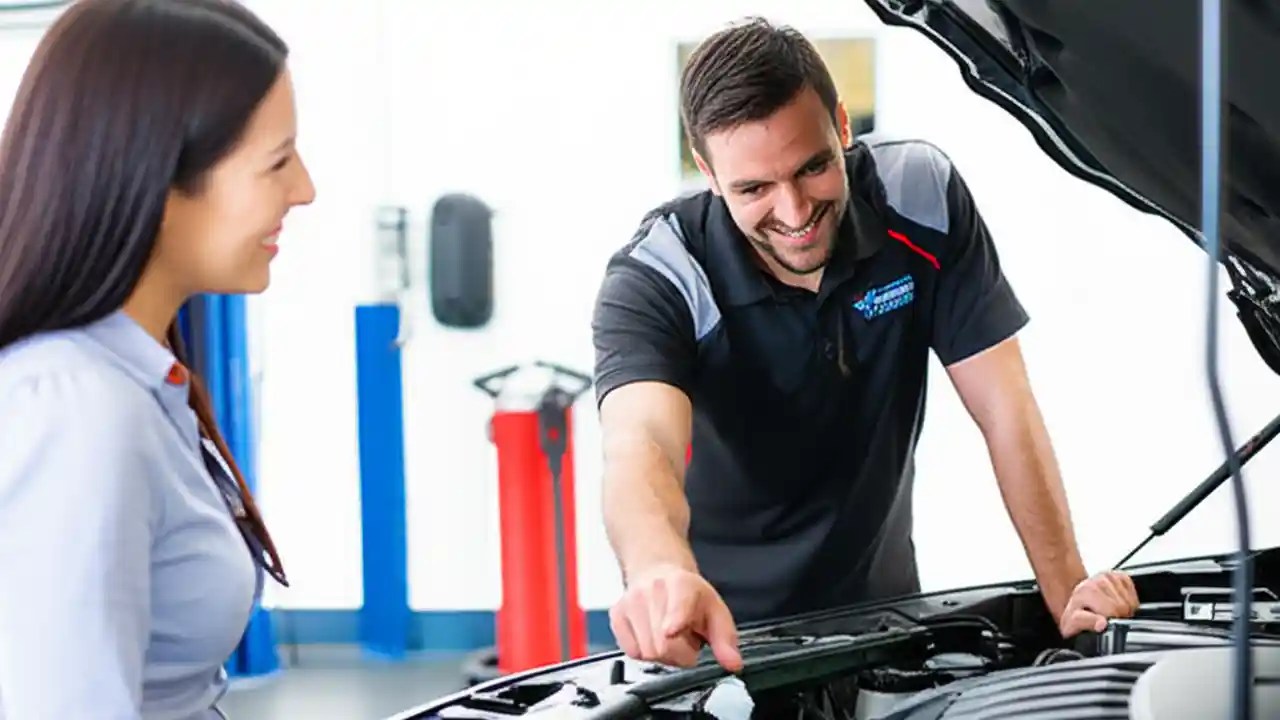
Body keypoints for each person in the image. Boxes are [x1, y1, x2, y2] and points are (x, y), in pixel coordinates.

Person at [590, 17, 1139, 673]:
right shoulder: (661, 275)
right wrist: (657, 569)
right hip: (717, 639)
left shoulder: (921, 199)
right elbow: (639, 443)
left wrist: (1066, 591)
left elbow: (1005, 410)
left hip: (885, 623)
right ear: (708, 173)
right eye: (754, 189)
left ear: (842, 127)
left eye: (813, 167)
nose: (793, 213)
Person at [0, 1, 315, 717]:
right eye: (277, 162)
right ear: (158, 182)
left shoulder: (135, 379)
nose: (304, 189)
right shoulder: (75, 407)